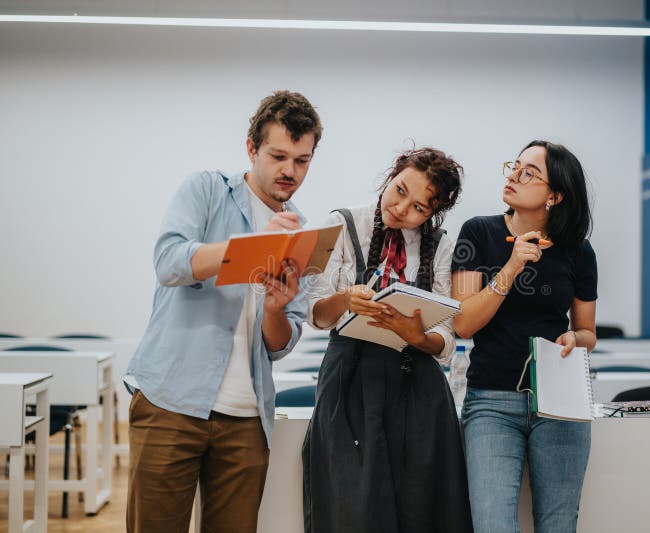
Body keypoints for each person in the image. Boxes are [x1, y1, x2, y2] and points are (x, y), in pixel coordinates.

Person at [125, 90, 323, 533]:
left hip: (247, 417)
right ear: (252, 148)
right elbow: (170, 262)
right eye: (278, 155)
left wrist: (276, 307)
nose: (290, 171)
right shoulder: (207, 189)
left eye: (302, 160)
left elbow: (281, 343)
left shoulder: (301, 234)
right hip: (171, 402)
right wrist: (256, 247)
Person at [302, 147, 473, 533]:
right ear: (392, 175)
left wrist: (419, 336)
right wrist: (346, 298)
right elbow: (315, 312)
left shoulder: (442, 245)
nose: (400, 209)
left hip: (418, 388)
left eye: (419, 208)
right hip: (349, 383)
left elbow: (446, 335)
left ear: (433, 214)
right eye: (398, 191)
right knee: (353, 506)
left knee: (424, 505)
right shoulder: (341, 223)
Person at [451, 140, 597, 533]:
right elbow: (462, 323)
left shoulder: (579, 252)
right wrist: (511, 267)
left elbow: (587, 332)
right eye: (514, 166)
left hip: (560, 401)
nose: (514, 175)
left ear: (554, 195)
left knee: (558, 524)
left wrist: (575, 339)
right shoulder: (478, 233)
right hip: (492, 403)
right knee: (493, 524)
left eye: (529, 171)